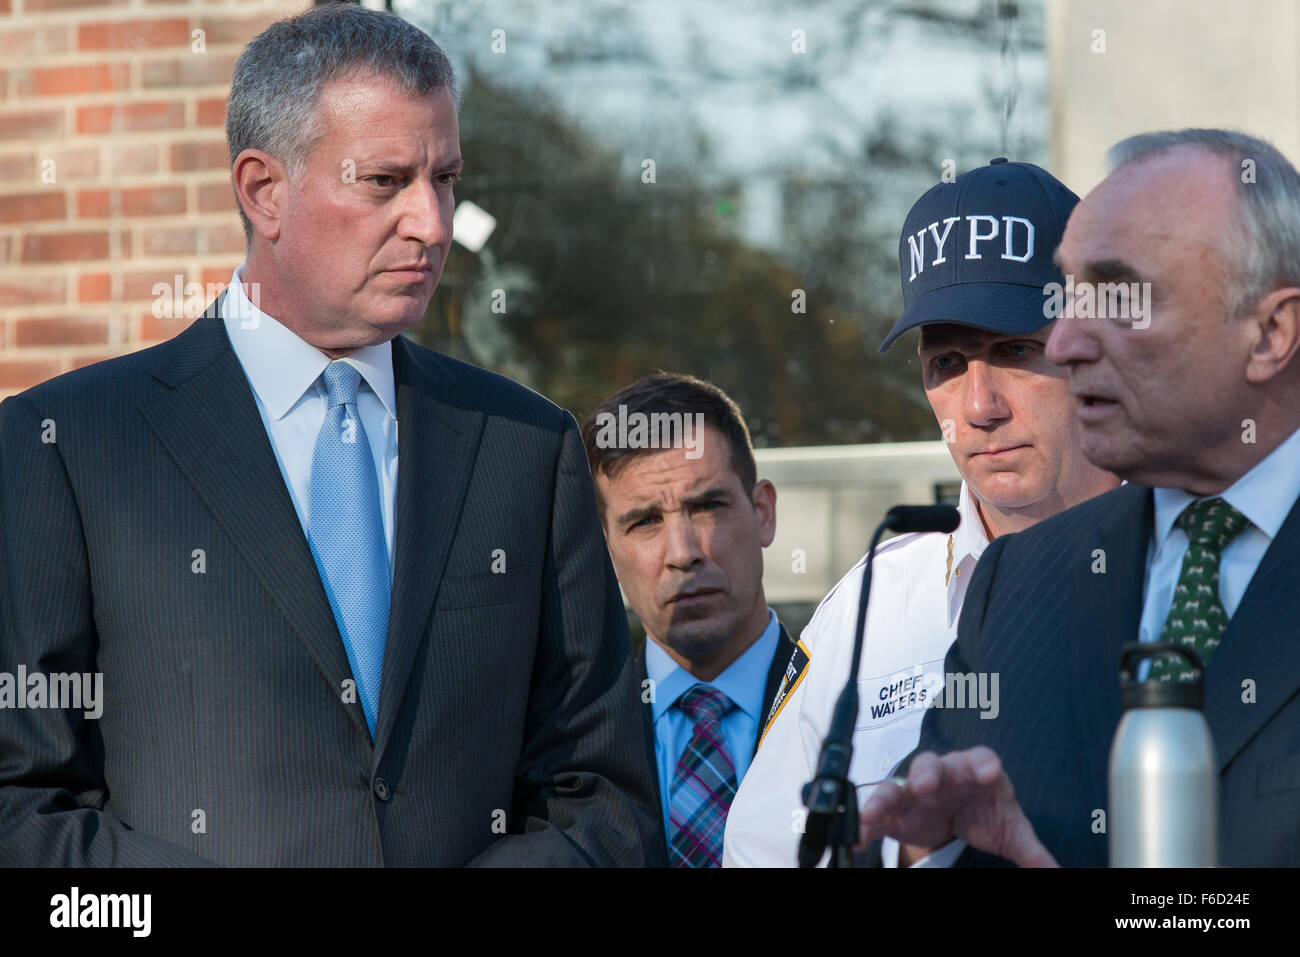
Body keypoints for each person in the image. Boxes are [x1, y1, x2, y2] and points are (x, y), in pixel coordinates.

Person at [0, 4, 661, 866]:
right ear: (263, 190)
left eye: (446, 178)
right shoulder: (64, 448)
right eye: (385, 181)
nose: (432, 223)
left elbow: (605, 801)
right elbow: (21, 814)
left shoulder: (525, 447)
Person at [859, 128, 1300, 868]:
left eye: (1118, 296)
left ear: (1272, 332)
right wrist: (935, 855)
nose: (1063, 344)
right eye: (1067, 298)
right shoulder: (1014, 586)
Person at [723, 159, 1119, 867]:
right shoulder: (868, 609)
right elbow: (758, 849)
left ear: (1091, 344)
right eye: (947, 364)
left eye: (1015, 350)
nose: (979, 407)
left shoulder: (1192, 561)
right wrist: (900, 853)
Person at [580, 373, 797, 867]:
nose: (682, 554)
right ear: (603, 551)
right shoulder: (569, 747)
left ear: (763, 512)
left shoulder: (851, 709)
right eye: (645, 521)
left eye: (706, 507)